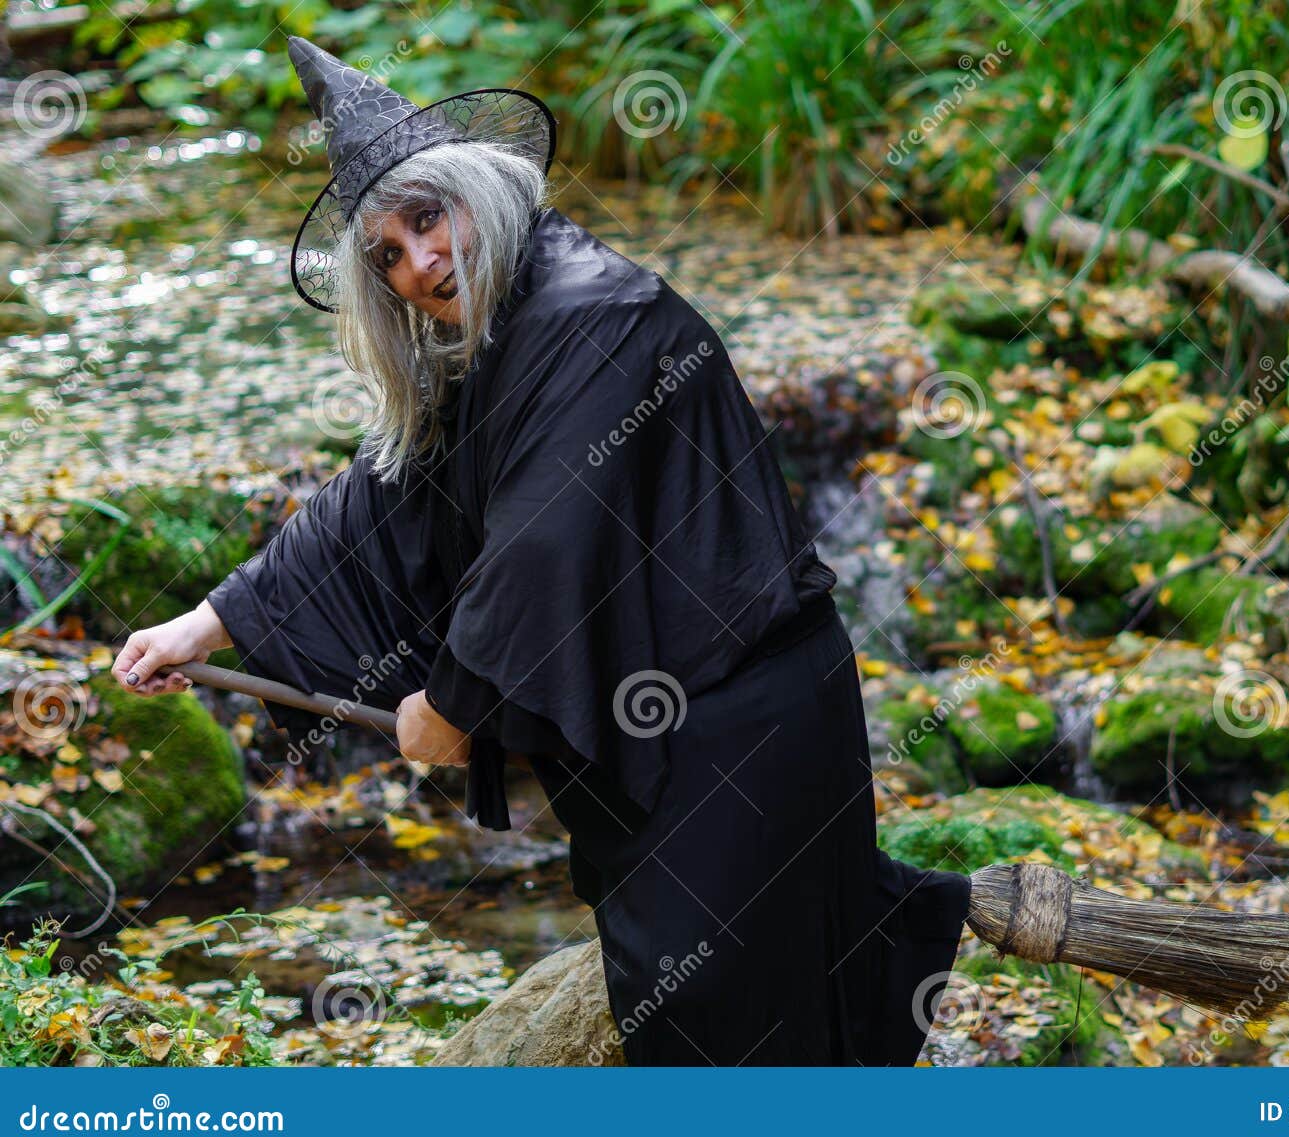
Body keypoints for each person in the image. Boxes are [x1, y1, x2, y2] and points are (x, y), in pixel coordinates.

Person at [112, 36, 972, 1065]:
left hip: (743, 722)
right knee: (691, 1014)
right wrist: (207, 623)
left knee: (743, 1022)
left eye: (425, 219)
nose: (417, 262)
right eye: (385, 254)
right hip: (657, 733)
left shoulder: (599, 314)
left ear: (478, 192)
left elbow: (543, 538)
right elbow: (375, 501)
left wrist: (453, 705)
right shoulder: (491, 339)